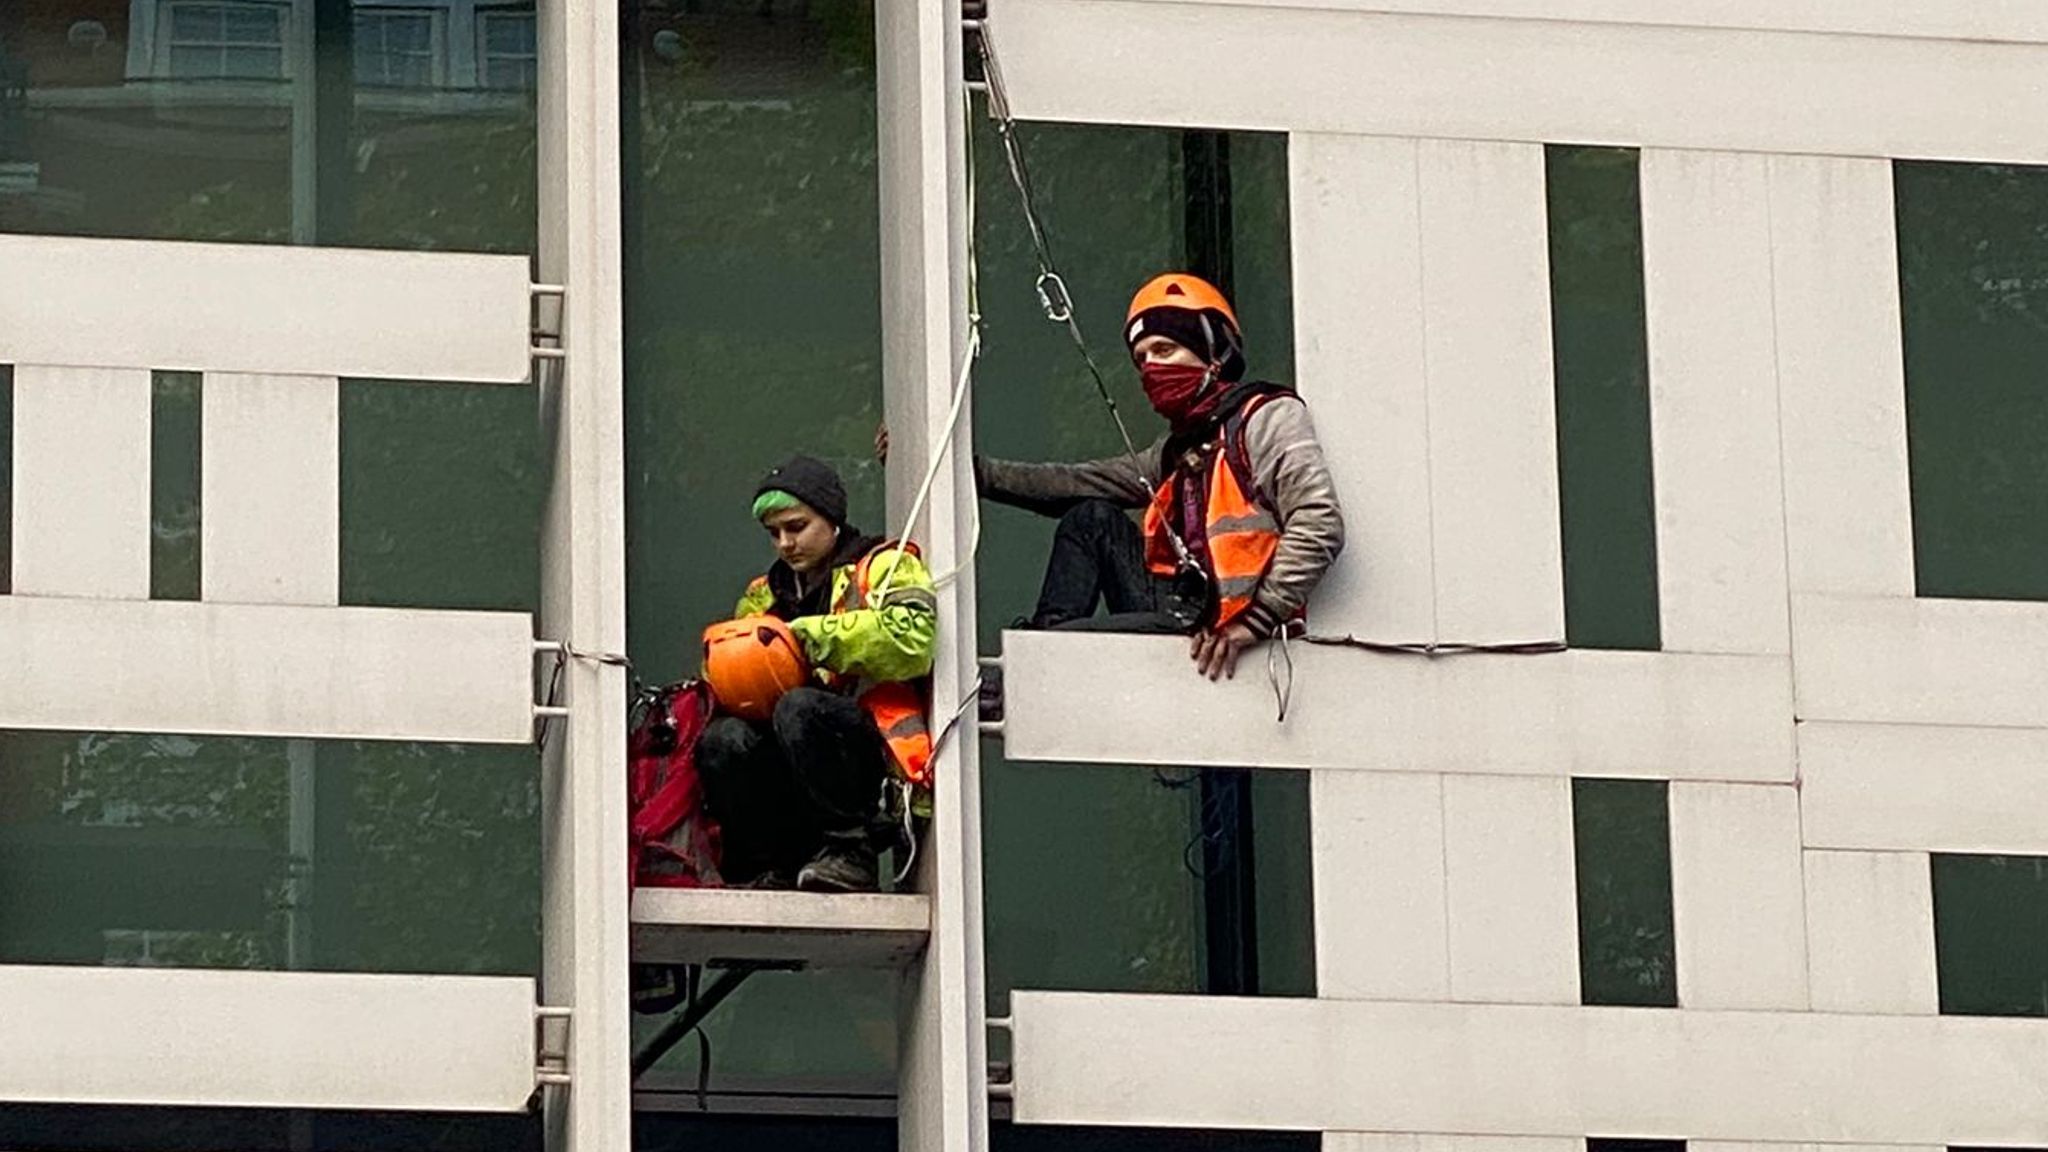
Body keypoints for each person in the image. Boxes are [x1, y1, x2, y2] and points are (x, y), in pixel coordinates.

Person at [977, 272, 1344, 681]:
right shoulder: (1176, 450)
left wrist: (1255, 621)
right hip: (1182, 609)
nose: (1151, 367)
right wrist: (972, 473)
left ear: (1213, 353)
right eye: (1142, 359)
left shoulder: (1266, 418)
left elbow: (1319, 521)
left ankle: (1035, 670)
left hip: (1229, 628)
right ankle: (1044, 651)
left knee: (1072, 643)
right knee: (1091, 519)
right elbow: (1075, 483)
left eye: (1165, 349)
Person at [696, 454, 936, 892]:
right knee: (723, 739)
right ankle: (768, 867)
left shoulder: (884, 563)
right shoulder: (762, 595)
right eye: (774, 534)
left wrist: (808, 639)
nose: (785, 543)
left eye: (796, 527)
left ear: (832, 518)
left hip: (868, 761)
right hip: (795, 768)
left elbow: (914, 640)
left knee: (799, 708)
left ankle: (852, 854)